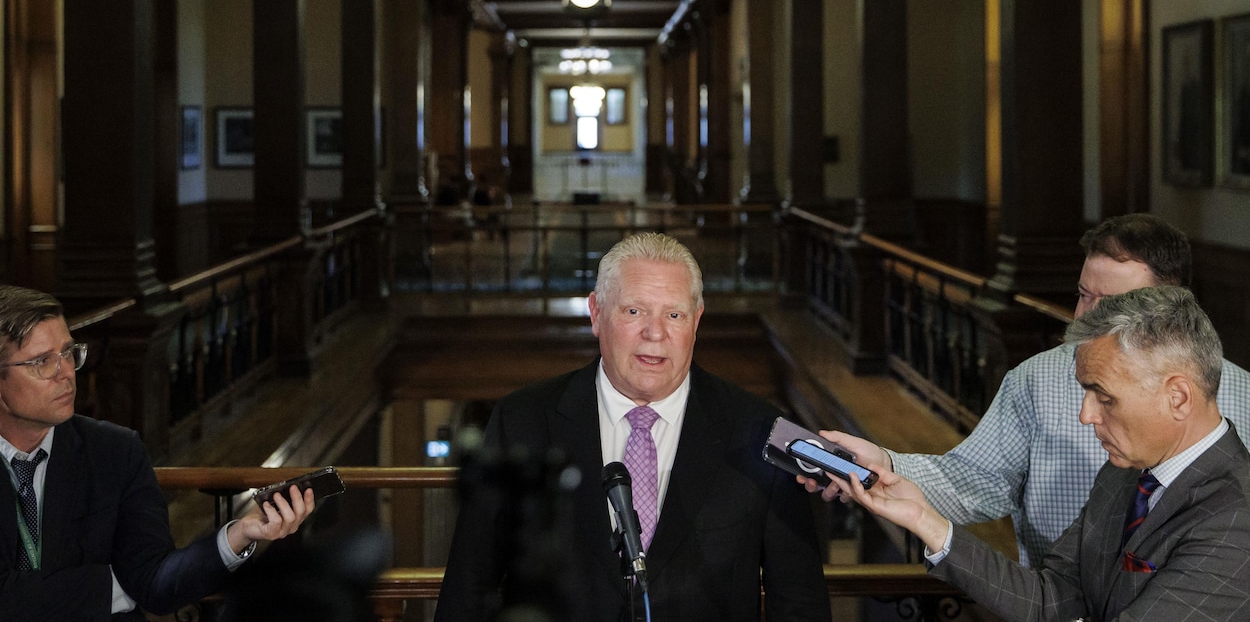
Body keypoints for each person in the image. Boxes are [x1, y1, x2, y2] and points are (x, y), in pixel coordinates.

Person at [805, 213, 1250, 566]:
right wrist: (884, 464)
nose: (1083, 318)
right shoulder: (1036, 380)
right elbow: (973, 483)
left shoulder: (1242, 397)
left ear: (1170, 305)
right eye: (1083, 295)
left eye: (1111, 304)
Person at [435, 232, 830, 622]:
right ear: (596, 313)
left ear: (697, 321)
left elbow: (799, 600)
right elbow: (469, 586)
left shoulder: (764, 432)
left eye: (673, 315)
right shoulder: (521, 420)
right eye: (634, 311)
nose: (654, 333)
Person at [835, 286, 1250, 620]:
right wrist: (927, 522)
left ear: (1178, 397)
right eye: (1084, 391)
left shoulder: (1238, 518)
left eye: (1103, 397)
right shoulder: (1124, 473)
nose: (1085, 415)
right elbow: (1050, 599)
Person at [0, 285, 316, 620]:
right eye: (43, 362)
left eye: (68, 353)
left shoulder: (115, 451)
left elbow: (155, 582)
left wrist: (239, 534)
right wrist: (115, 586)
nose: (66, 373)